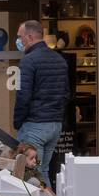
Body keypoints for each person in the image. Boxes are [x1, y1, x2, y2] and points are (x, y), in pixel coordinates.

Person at [13, 19, 69, 186]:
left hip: (34, 125)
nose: (18, 41)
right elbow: (66, 93)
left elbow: (23, 97)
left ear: (29, 37)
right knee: (43, 171)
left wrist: (17, 122)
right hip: (55, 125)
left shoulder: (28, 61)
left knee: (31, 174)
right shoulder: (59, 59)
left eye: (20, 37)